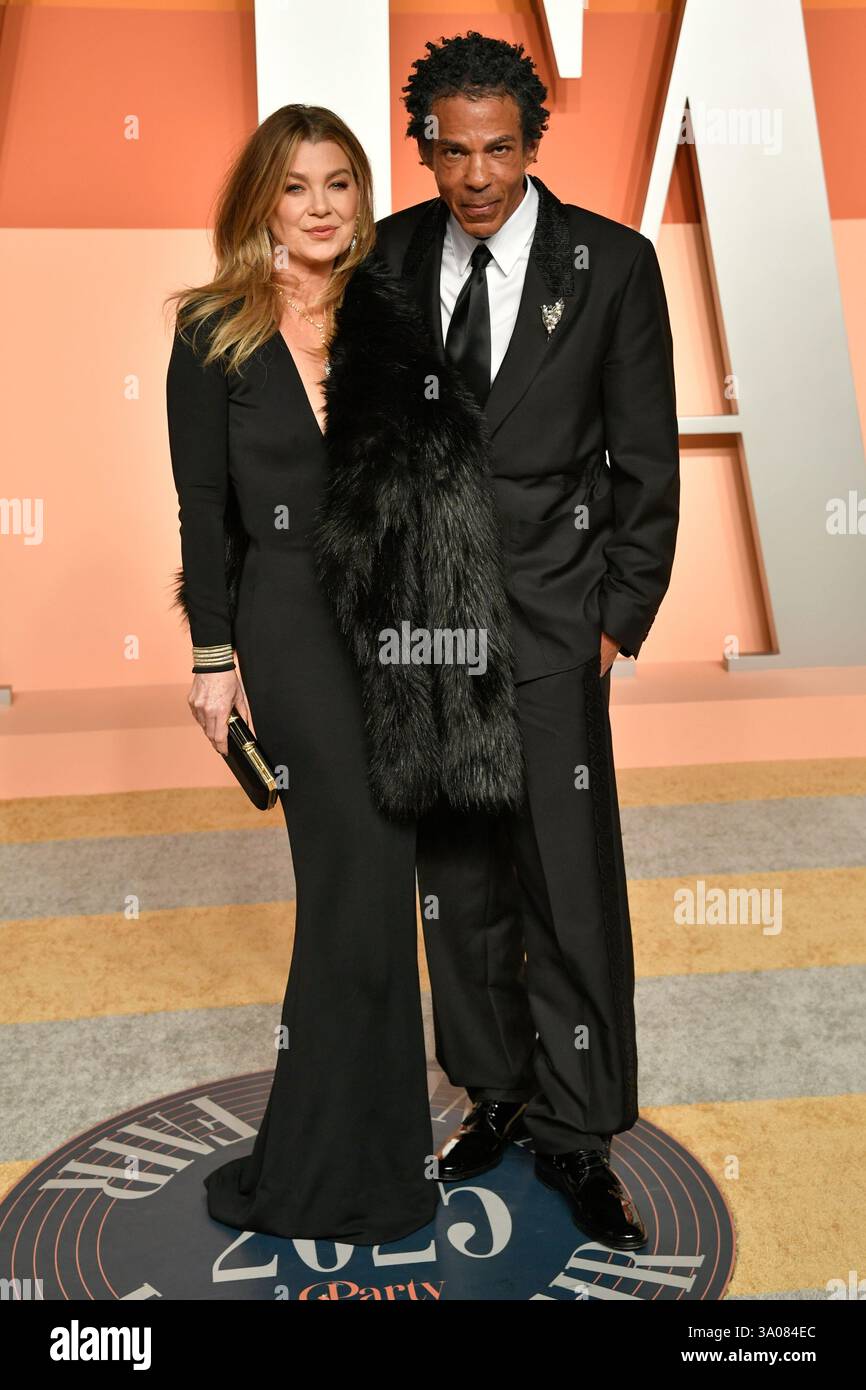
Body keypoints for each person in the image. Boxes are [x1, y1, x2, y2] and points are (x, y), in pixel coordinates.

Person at [164, 103, 523, 1246]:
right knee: (352, 884)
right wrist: (212, 659)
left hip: (398, 629)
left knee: (372, 890)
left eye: (339, 185)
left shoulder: (390, 313)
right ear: (262, 201)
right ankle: (331, 1169)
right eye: (297, 186)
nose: (320, 207)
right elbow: (204, 509)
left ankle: (348, 1152)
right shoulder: (209, 331)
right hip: (286, 622)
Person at [375, 31, 680, 1249]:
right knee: (457, 881)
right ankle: (494, 1091)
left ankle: (578, 1126)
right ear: (427, 150)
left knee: (564, 881)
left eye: (498, 149)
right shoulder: (388, 257)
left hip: (555, 618)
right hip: (425, 626)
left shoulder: (609, 264)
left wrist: (616, 616)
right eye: (453, 152)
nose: (477, 176)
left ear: (530, 142)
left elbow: (644, 462)